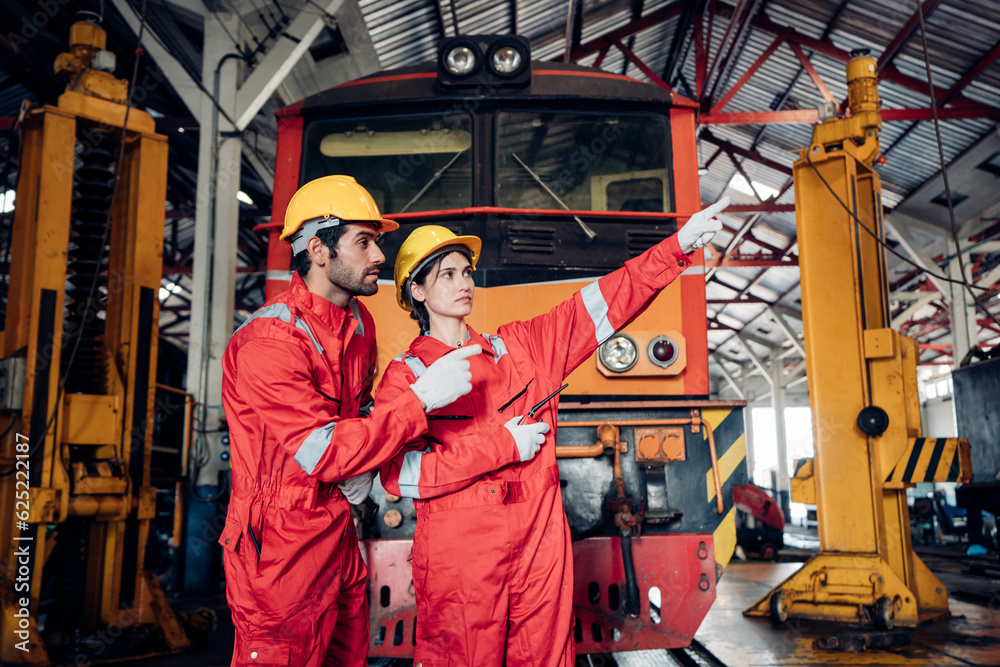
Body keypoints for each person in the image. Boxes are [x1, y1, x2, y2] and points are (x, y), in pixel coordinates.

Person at [375, 197, 730, 667]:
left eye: (466, 272)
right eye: (447, 274)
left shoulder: (522, 348)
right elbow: (400, 475)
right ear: (416, 291)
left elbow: (604, 302)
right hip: (460, 550)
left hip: (540, 540)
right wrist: (502, 444)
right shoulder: (406, 378)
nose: (465, 283)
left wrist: (677, 245)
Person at [219, 175, 481, 667]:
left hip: (338, 533)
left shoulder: (359, 323)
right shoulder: (269, 342)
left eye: (377, 242)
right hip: (278, 548)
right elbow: (321, 450)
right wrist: (417, 401)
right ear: (318, 249)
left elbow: (357, 411)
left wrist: (364, 466)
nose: (379, 256)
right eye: (364, 242)